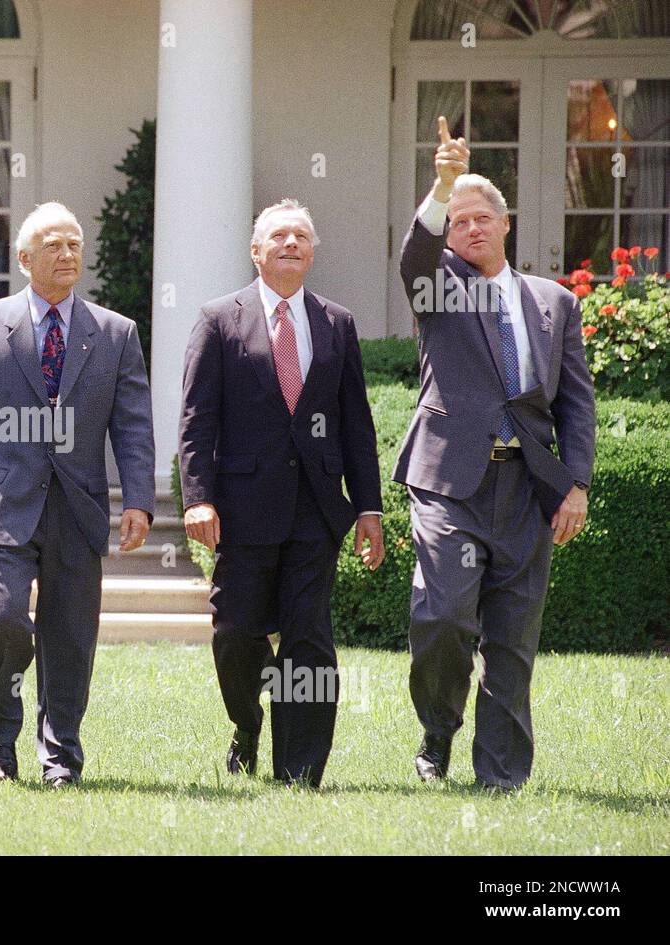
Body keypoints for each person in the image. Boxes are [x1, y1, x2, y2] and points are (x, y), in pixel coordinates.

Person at [396, 117, 596, 789]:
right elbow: (412, 258)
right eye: (459, 221)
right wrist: (441, 185)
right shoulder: (439, 290)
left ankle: (502, 776)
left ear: (505, 225)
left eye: (483, 218)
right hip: (449, 482)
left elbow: (575, 403)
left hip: (528, 487)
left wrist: (576, 483)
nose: (471, 228)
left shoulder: (554, 303)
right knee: (444, 613)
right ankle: (438, 726)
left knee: (512, 638)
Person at [0, 201, 155, 787]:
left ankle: (61, 755)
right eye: (54, 245)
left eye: (75, 244)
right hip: (2, 501)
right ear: (24, 258)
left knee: (71, 635)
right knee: (4, 616)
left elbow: (132, 424)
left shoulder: (114, 333)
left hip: (78, 503)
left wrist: (138, 499)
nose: (67, 254)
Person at [179, 198, 385, 787]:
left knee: (308, 640)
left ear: (312, 251)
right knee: (238, 633)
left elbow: (355, 422)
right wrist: (198, 496)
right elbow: (198, 417)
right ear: (256, 251)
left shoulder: (336, 321)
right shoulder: (219, 319)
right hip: (242, 511)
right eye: (278, 237)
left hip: (315, 512)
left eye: (300, 236)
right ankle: (247, 724)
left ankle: (299, 770)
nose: (290, 243)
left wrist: (368, 506)